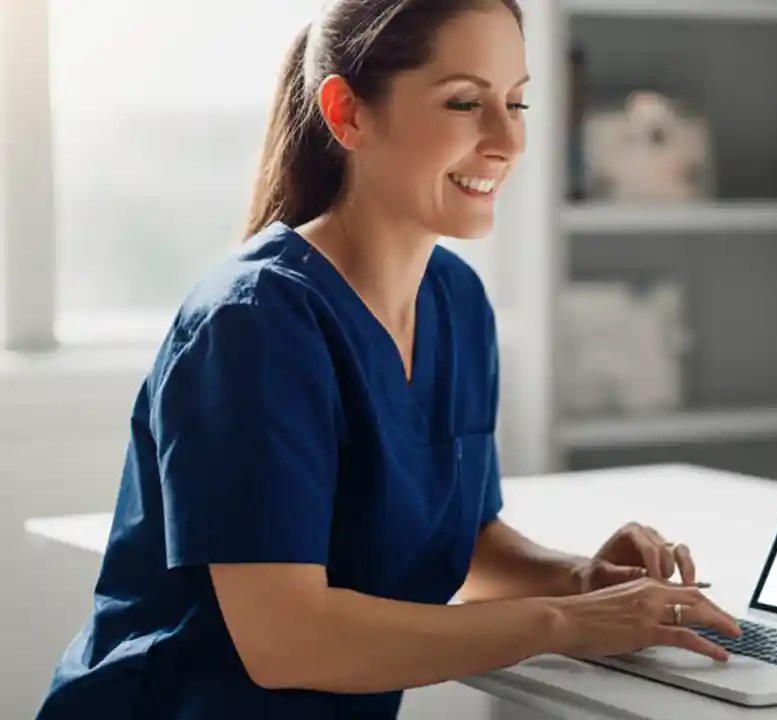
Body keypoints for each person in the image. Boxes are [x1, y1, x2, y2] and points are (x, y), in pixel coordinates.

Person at [35, 2, 740, 718]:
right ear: (347, 113)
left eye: (518, 102)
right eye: (465, 102)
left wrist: (581, 579)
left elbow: (460, 543)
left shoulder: (458, 302)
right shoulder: (254, 324)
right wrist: (562, 624)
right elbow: (287, 640)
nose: (507, 140)